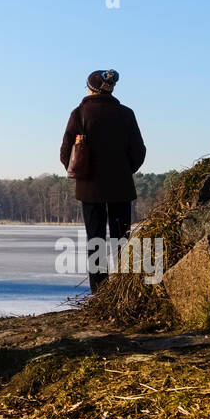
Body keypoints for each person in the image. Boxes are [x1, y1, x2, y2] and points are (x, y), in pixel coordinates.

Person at [59, 69, 146, 293]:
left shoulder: (78, 114)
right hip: (121, 187)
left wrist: (83, 174)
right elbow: (139, 152)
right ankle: (126, 290)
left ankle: (99, 293)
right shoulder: (127, 114)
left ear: (90, 88)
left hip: (89, 189)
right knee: (122, 240)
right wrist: (125, 171)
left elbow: (65, 153)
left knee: (95, 241)